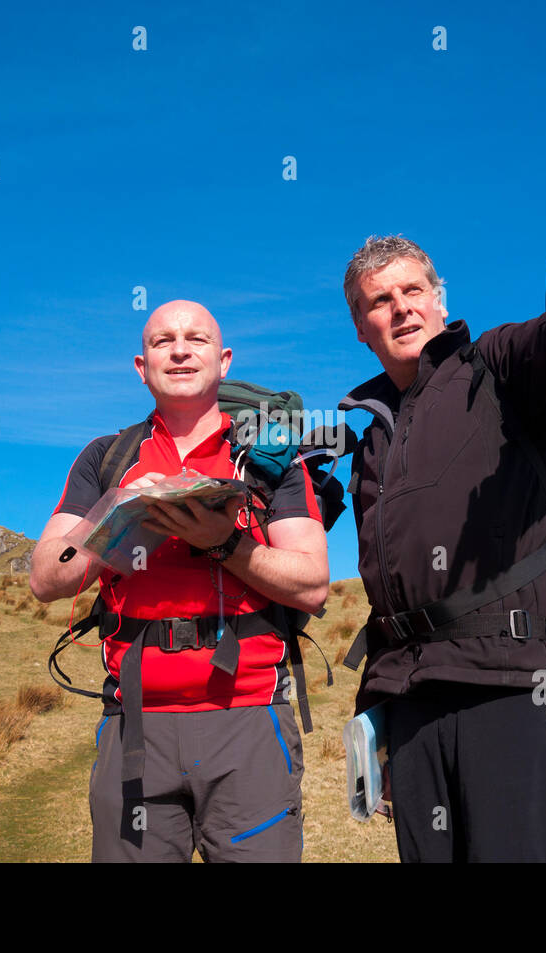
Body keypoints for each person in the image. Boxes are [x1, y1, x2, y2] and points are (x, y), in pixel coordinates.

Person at [337, 103, 546, 862]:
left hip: (513, 689)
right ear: (361, 326)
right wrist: (376, 709)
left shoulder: (499, 369)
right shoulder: (370, 434)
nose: (400, 307)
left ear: (439, 298)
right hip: (411, 705)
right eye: (378, 301)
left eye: (412, 289)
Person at [29, 300, 329, 862]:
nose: (181, 349)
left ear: (223, 360)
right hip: (135, 723)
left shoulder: (267, 459)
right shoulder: (108, 458)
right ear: (142, 367)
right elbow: (47, 578)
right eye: (163, 340)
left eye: (197, 338)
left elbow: (311, 584)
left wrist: (224, 542)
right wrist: (120, 516)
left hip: (249, 717)